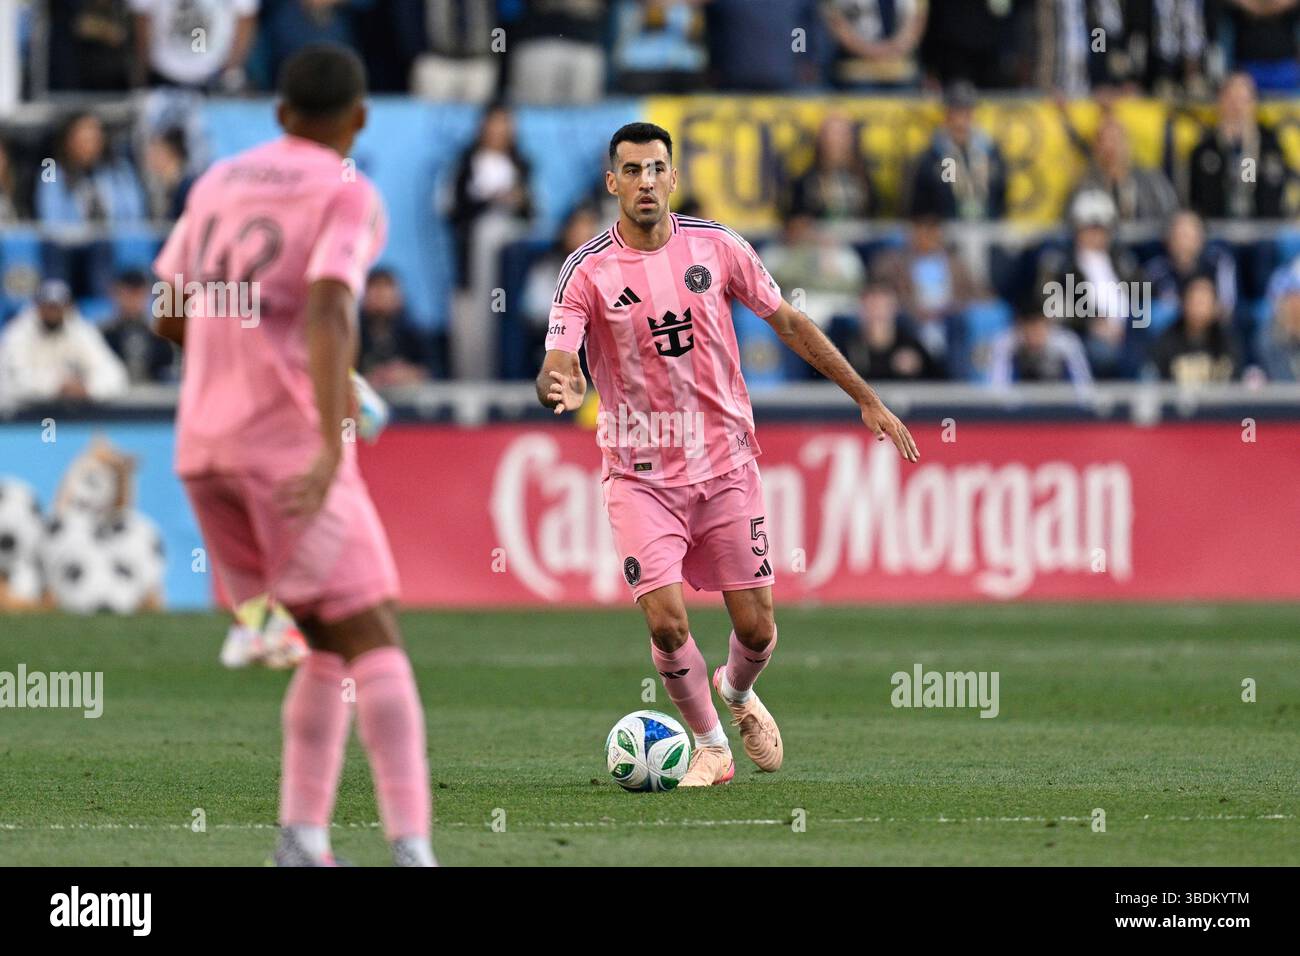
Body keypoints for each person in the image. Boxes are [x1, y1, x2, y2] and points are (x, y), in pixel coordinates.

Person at [536, 122, 918, 787]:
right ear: (612, 183)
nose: (645, 182)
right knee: (664, 620)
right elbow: (558, 357)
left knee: (759, 628)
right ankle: (711, 746)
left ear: (672, 177)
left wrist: (866, 397)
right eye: (632, 171)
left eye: (656, 168)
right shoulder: (586, 270)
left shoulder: (718, 247)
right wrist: (558, 382)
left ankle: (737, 693)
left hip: (725, 465)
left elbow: (791, 324)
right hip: (640, 474)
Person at [150, 44, 435, 867]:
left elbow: (169, 314)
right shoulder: (347, 191)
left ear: (279, 114)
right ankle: (413, 850)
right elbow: (328, 304)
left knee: (320, 637)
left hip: (203, 448)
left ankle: (302, 842)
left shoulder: (217, 182)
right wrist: (327, 426)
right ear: (360, 118)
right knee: (375, 633)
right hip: (284, 450)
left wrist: (246, 340)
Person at [0, 279, 129, 406]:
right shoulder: (18, 333)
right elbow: (12, 381)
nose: (53, 313)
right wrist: (56, 386)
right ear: (37, 307)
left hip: (68, 416)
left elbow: (115, 374)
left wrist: (88, 388)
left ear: (68, 307)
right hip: (21, 417)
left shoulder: (80, 330)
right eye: (48, 307)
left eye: (58, 307)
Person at [1187, 72, 1291, 220]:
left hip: (1261, 232)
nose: (1237, 107)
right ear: (1220, 101)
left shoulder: (1270, 146)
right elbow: (1198, 200)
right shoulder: (1204, 148)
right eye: (1231, 99)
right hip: (1217, 232)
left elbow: (1271, 193)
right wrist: (1227, 147)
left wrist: (1247, 147)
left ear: (1253, 103)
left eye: (1243, 100)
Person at [908, 81, 1007, 221]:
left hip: (987, 233)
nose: (960, 120)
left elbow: (1000, 196)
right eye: (956, 112)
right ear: (946, 114)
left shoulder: (991, 153)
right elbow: (922, 205)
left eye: (966, 112)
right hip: (945, 235)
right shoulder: (933, 157)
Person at [130, 0, 259, 91]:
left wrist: (231, 68)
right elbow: (142, 19)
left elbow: (246, 18)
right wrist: (144, 70)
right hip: (164, 71)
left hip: (215, 73)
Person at [1148, 275, 1240, 385]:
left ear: (1215, 306)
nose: (1199, 308)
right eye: (1195, 301)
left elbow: (1237, 383)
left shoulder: (1228, 342)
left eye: (1204, 301)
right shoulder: (1167, 341)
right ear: (1184, 303)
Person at [358, 268, 431, 387]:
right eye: (375, 289)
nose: (381, 296)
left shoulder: (414, 333)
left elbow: (433, 370)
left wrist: (405, 373)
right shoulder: (354, 334)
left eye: (387, 289)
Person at [101, 269, 176, 383]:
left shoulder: (160, 335)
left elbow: (168, 372)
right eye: (127, 294)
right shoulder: (103, 334)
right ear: (115, 294)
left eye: (137, 294)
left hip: (155, 397)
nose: (132, 301)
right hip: (111, 395)